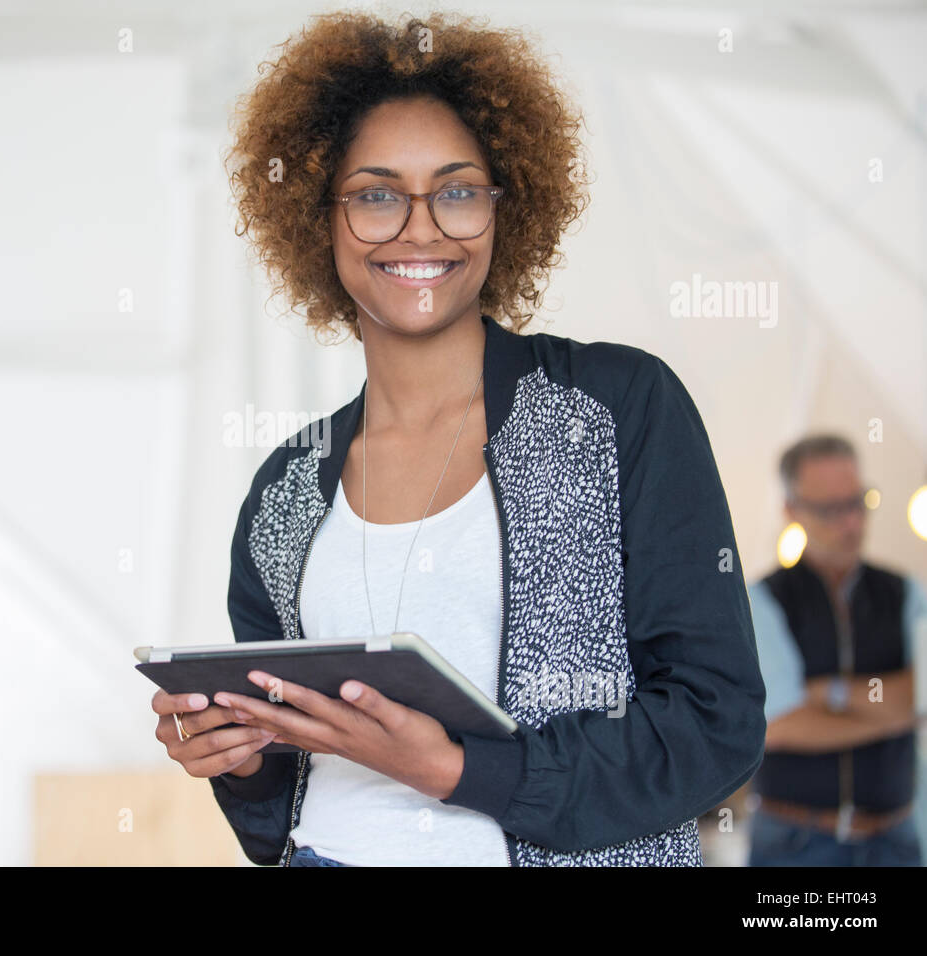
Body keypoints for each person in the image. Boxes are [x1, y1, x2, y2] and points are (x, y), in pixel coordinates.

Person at [150, 10, 766, 866]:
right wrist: (239, 763)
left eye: (457, 190)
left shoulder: (620, 408)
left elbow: (714, 724)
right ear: (317, 221)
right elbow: (278, 799)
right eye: (374, 194)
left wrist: (461, 770)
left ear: (504, 205)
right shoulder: (284, 491)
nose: (419, 227)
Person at [746, 434, 922, 866]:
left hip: (894, 838)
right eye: (830, 509)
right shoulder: (763, 599)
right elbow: (781, 725)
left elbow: (921, 694)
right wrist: (896, 715)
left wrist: (832, 693)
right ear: (791, 509)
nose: (851, 522)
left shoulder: (905, 592)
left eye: (858, 502)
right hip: (794, 842)